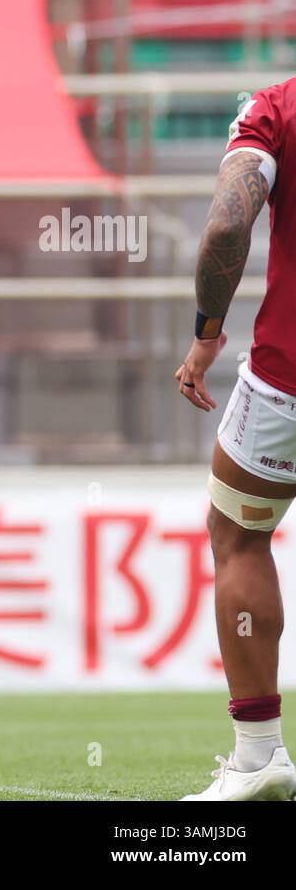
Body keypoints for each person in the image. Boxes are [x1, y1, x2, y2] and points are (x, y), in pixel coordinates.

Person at [175, 81, 296, 800]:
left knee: (241, 536)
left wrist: (206, 335)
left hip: (288, 381)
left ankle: (259, 754)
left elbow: (226, 227)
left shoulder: (277, 106)